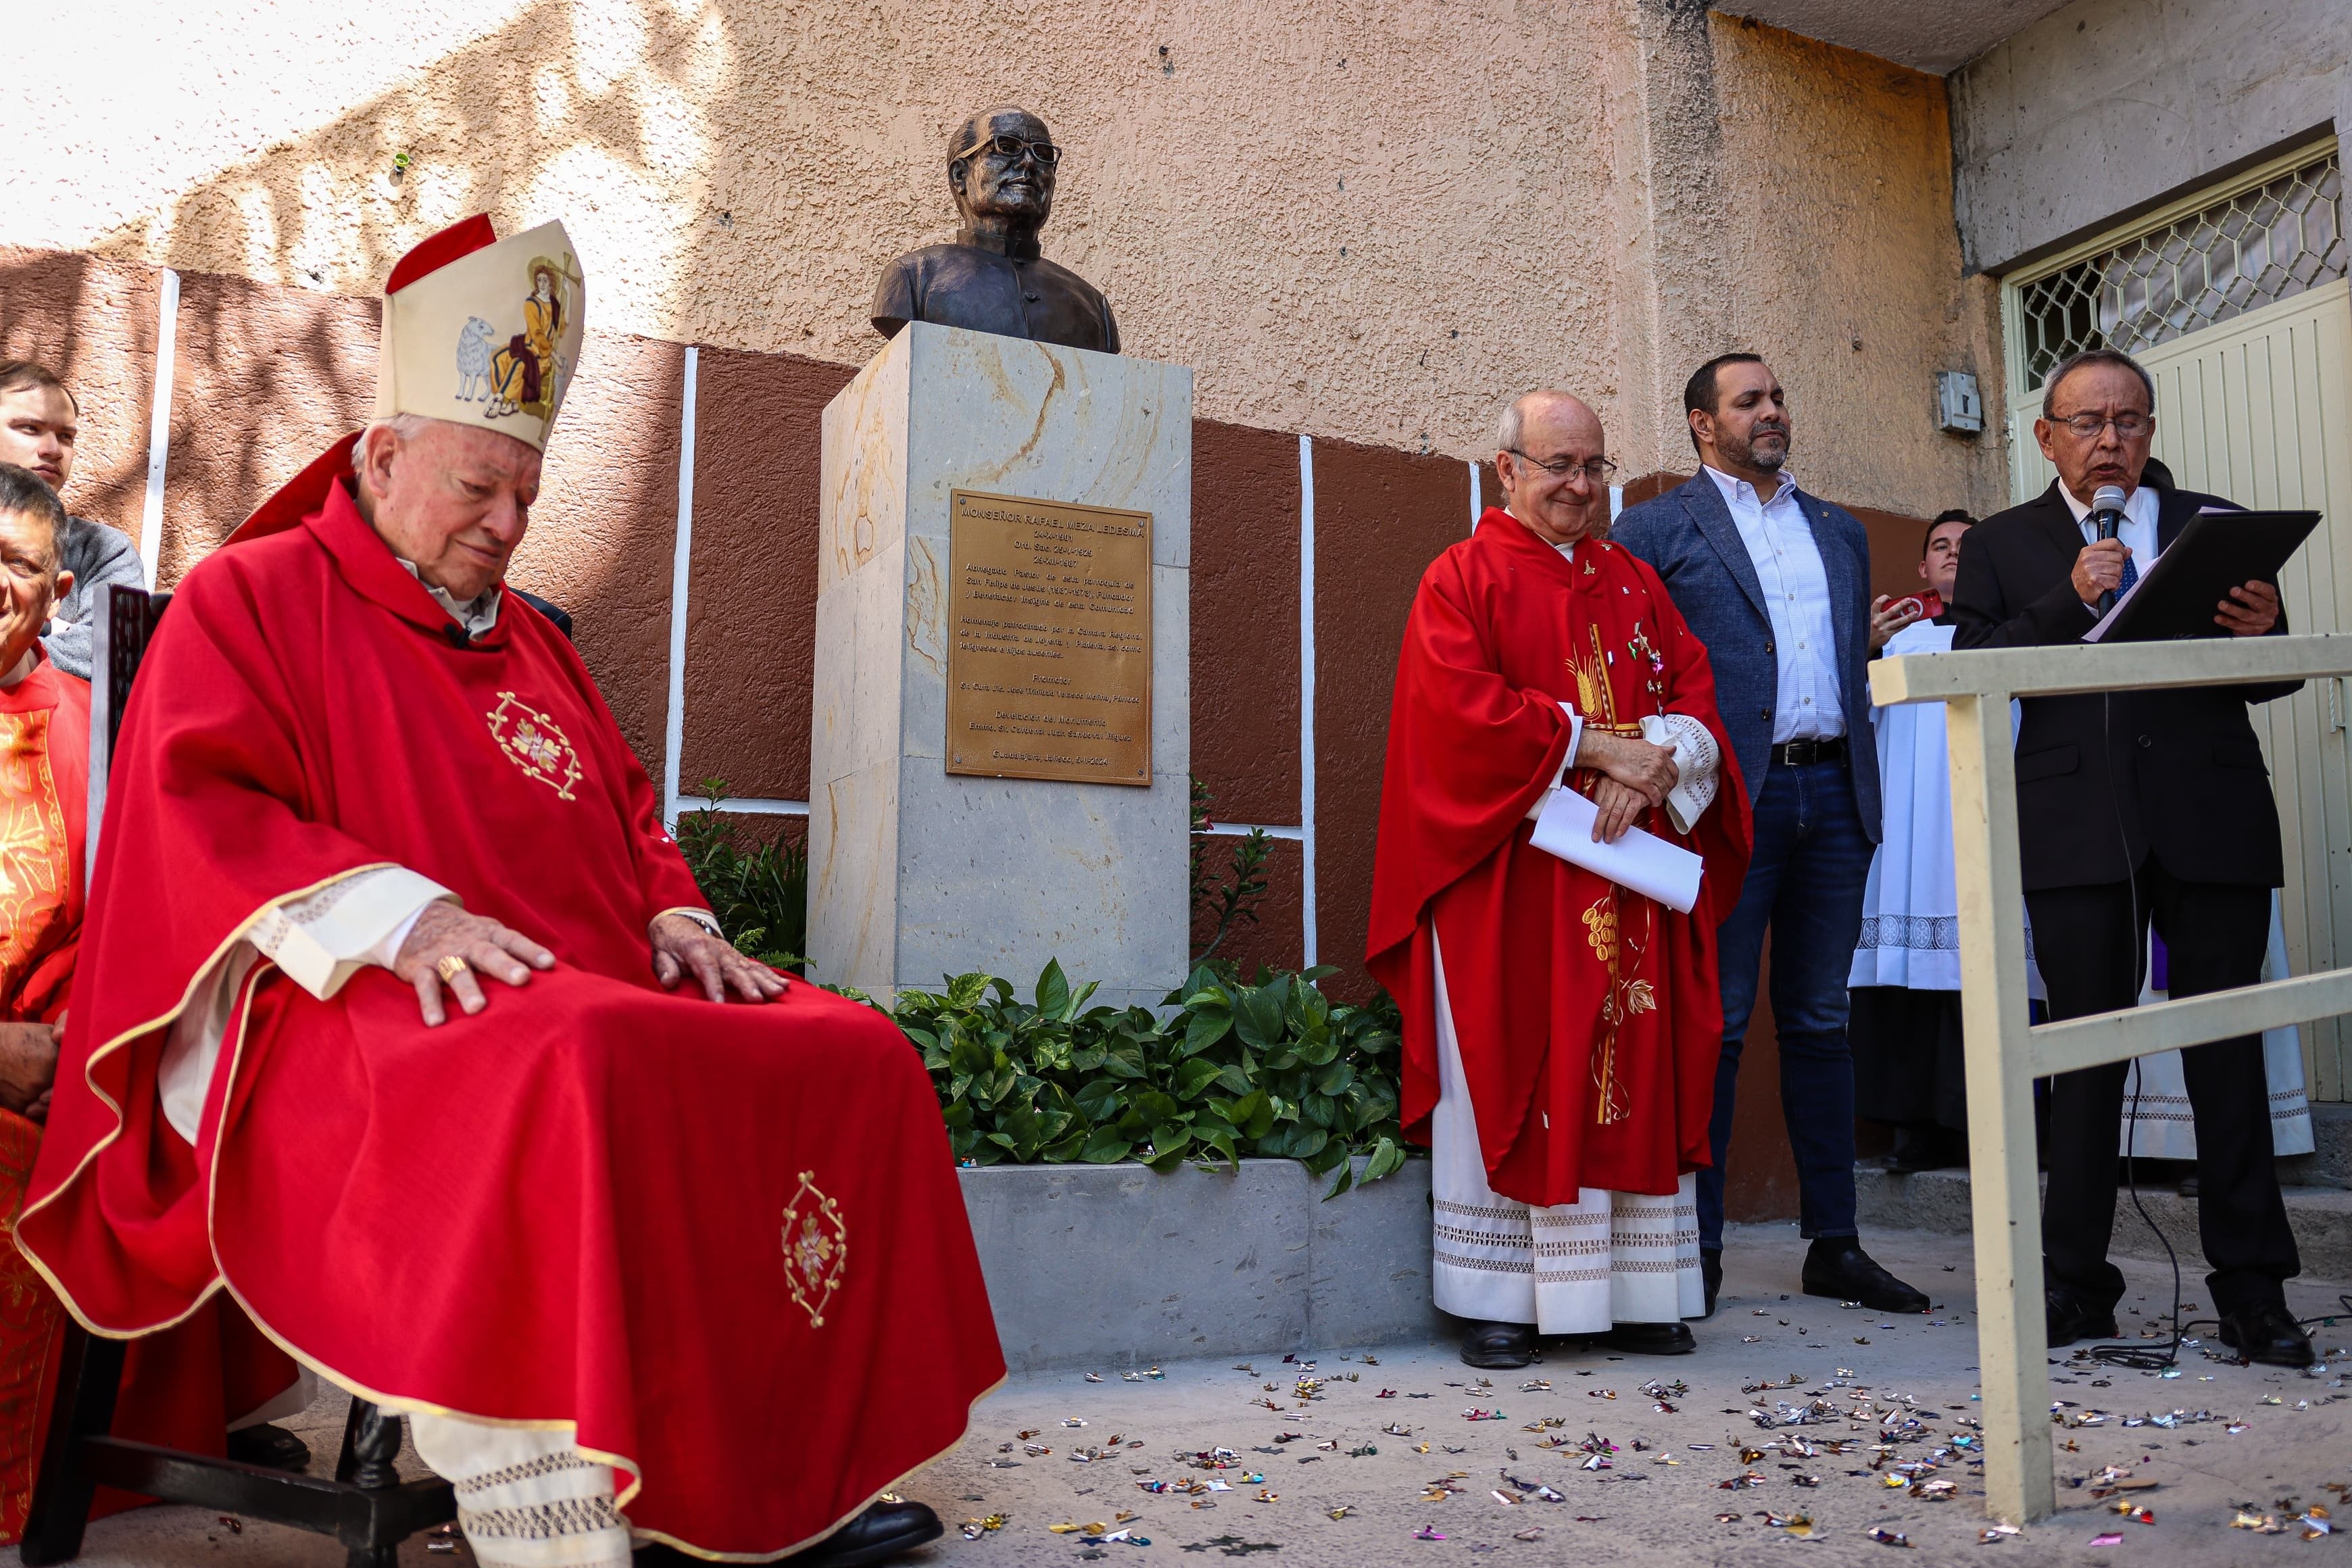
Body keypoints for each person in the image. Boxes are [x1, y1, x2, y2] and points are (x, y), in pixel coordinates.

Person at [18, 216, 1006, 1567]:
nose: (508, 524)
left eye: (527, 495)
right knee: (574, 1059)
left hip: (565, 985)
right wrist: (401, 912)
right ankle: (565, 1525)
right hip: (333, 1004)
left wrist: (676, 915)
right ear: (381, 458)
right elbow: (202, 811)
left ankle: (771, 1490)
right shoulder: (254, 595)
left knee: (856, 1052)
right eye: (479, 486)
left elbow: (628, 807)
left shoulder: (535, 638)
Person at [1368, 390, 1751, 1369]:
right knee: (1517, 1064)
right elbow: (1457, 716)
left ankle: (1640, 1293)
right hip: (1513, 886)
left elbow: (1694, 691)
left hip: (1629, 878)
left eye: (1594, 467)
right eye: (1559, 467)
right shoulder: (1461, 578)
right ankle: (1502, 1300)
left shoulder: (1635, 581)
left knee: (1635, 1064)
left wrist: (1654, 759)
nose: (1581, 486)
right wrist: (1598, 749)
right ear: (1507, 469)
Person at [1948, 345, 2311, 1368]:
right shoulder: (2002, 543)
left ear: (2152, 428)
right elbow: (1971, 669)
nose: (2110, 440)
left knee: (2227, 1052)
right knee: (2082, 1059)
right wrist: (2068, 600)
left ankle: (2254, 1294)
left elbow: (2272, 673)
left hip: (2212, 814)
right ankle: (2075, 1286)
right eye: (2088, 422)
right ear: (2046, 437)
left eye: (2130, 420)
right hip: (2075, 825)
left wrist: (2265, 632)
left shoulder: (2215, 523)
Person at [0, 464, 306, 1538]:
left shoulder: (101, 729)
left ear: (59, 593)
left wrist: (82, 1045)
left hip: (62, 1055)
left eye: (17, 564)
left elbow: (140, 920)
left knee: (166, 1118)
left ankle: (133, 1442)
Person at [1613, 354, 1930, 1317]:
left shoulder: (1838, 529)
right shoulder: (1655, 528)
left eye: (1779, 396)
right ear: (1702, 424)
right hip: (1724, 803)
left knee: (1823, 1023)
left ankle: (1836, 1245)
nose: (1772, 411)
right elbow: (1633, 666)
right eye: (1748, 400)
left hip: (1833, 791)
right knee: (1717, 1024)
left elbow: (1835, 662)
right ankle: (1697, 1253)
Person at [1846, 511, 2005, 1172]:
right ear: (1922, 567)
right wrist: (1862, 648)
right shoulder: (1895, 639)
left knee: (1987, 967)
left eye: (1967, 545)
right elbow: (1850, 712)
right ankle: (1915, 1128)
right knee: (1910, 969)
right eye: (1941, 546)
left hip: (1988, 822)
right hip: (1909, 834)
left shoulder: (2009, 632)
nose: (1953, 554)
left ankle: (1995, 1124)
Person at [869, 105, 1120, 352]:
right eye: (1007, 148)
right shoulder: (914, 278)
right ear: (960, 176)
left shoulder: (1093, 306)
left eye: (1042, 154)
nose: (1028, 163)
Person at [0, 362, 148, 679]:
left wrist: (18, 652)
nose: (54, 450)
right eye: (30, 428)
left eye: (66, 436)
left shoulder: (104, 550)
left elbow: (115, 655)